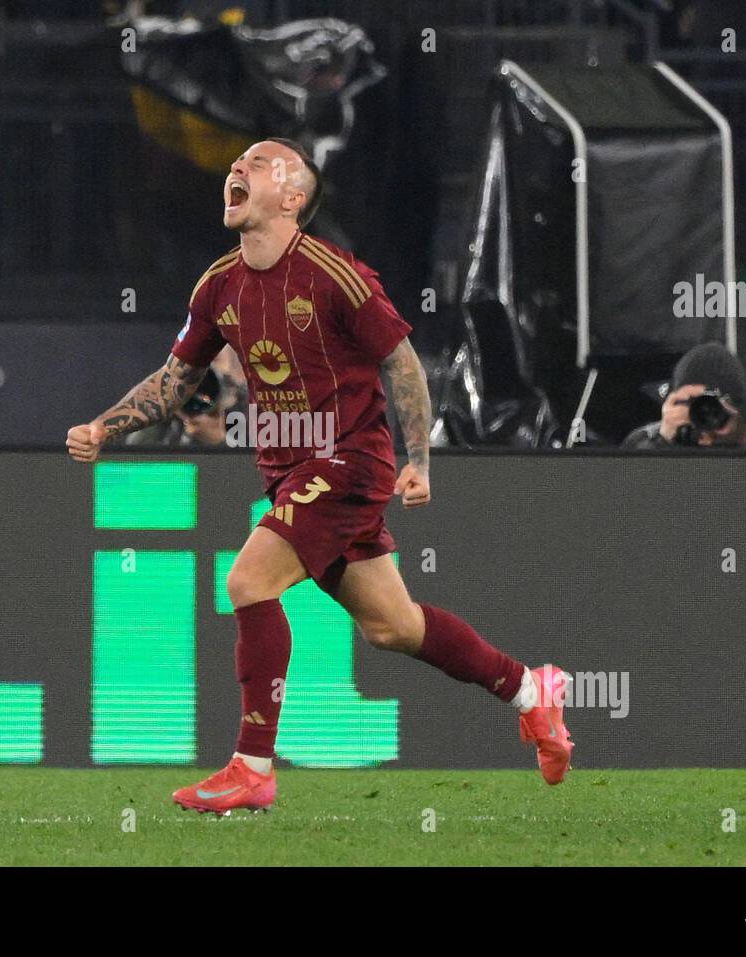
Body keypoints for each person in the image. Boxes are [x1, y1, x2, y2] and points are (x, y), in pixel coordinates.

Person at [67, 138, 572, 814]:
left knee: (247, 579)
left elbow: (402, 362)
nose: (238, 168)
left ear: (294, 197)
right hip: (289, 474)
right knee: (393, 626)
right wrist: (105, 426)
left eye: (260, 163)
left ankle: (252, 766)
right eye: (237, 162)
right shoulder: (217, 286)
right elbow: (173, 382)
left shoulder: (335, 275)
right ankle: (529, 691)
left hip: (349, 462)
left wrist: (418, 459)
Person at [621, 342, 746, 449]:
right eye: (692, 402)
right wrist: (662, 441)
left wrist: (744, 437)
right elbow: (628, 484)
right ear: (673, 400)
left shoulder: (745, 436)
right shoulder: (642, 441)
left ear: (734, 408)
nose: (702, 411)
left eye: (711, 404)